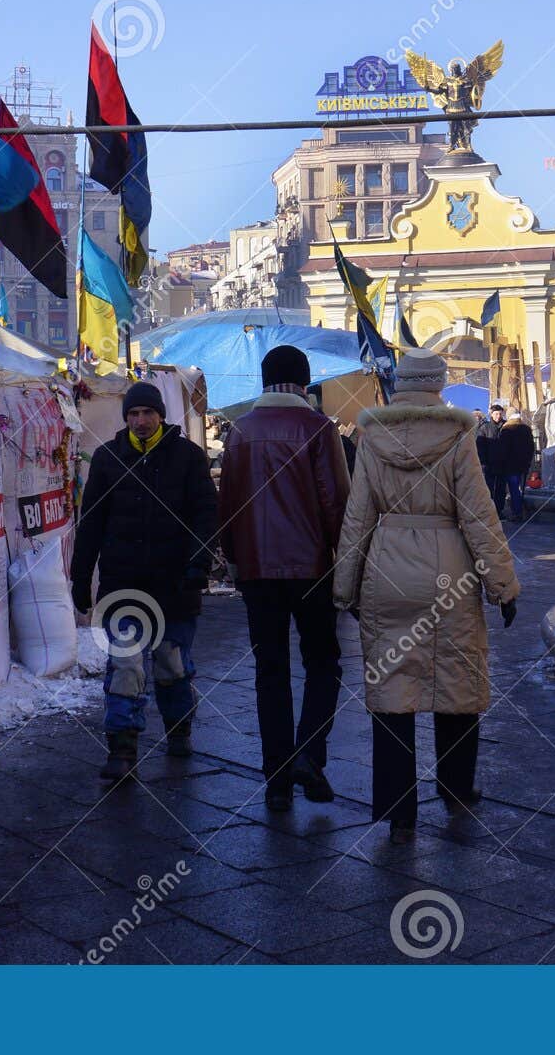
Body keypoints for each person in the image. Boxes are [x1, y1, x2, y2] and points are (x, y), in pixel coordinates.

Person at [333, 349, 521, 844]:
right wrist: (502, 586)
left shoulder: (372, 436)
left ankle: (399, 810)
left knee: (393, 691)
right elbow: (479, 518)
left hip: (387, 569)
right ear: (437, 384)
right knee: (456, 682)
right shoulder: (459, 436)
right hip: (449, 577)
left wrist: (343, 585)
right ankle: (456, 788)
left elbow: (357, 518)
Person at [219, 345, 351, 811]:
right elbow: (335, 502)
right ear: (304, 381)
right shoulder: (319, 428)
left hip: (256, 569)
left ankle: (276, 777)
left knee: (269, 672)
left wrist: (234, 560)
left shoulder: (238, 432)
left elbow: (228, 505)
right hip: (311, 567)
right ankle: (310, 757)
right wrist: (347, 563)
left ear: (263, 380)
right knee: (323, 662)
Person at [71, 380, 218, 782]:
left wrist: (198, 565)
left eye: (147, 413)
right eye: (133, 414)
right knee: (125, 666)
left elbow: (206, 517)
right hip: (123, 585)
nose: (140, 421)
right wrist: (80, 579)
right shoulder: (107, 459)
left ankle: (179, 728)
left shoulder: (188, 458)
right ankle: (121, 747)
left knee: (172, 665)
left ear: (160, 415)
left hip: (175, 584)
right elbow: (91, 525)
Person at [495, 408, 536, 521]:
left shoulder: (507, 429)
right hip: (524, 464)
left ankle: (517, 513)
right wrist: (528, 461)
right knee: (521, 489)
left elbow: (503, 449)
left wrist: (500, 462)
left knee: (513, 489)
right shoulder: (526, 429)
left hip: (510, 465)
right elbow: (531, 447)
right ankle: (522, 511)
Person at [476, 403, 506, 514]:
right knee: (488, 489)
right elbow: (480, 446)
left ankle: (499, 511)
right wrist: (483, 462)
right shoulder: (485, 427)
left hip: (502, 464)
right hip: (489, 464)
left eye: (500, 414)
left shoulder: (505, 427)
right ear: (491, 414)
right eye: (496, 413)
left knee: (501, 489)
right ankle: (488, 511)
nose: (498, 416)